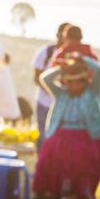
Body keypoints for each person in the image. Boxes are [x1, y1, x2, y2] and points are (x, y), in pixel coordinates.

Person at [33, 55, 100, 199]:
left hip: (84, 136)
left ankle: (81, 194)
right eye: (69, 82)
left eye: (76, 82)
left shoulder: (92, 94)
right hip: (61, 134)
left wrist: (82, 60)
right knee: (50, 160)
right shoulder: (61, 94)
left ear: (84, 81)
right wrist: (61, 68)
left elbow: (98, 70)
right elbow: (45, 79)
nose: (72, 86)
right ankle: (47, 191)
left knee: (82, 164)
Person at [32, 22, 70, 150]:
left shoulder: (70, 56)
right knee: (43, 135)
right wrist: (52, 90)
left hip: (62, 104)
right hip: (43, 102)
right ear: (58, 34)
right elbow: (36, 77)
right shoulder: (45, 52)